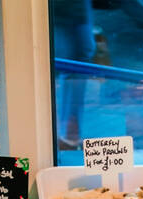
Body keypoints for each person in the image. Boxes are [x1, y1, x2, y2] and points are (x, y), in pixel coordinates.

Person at [54, 0, 96, 151]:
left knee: (81, 57)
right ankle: (68, 133)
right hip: (62, 10)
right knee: (71, 61)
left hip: (77, 9)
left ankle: (69, 133)